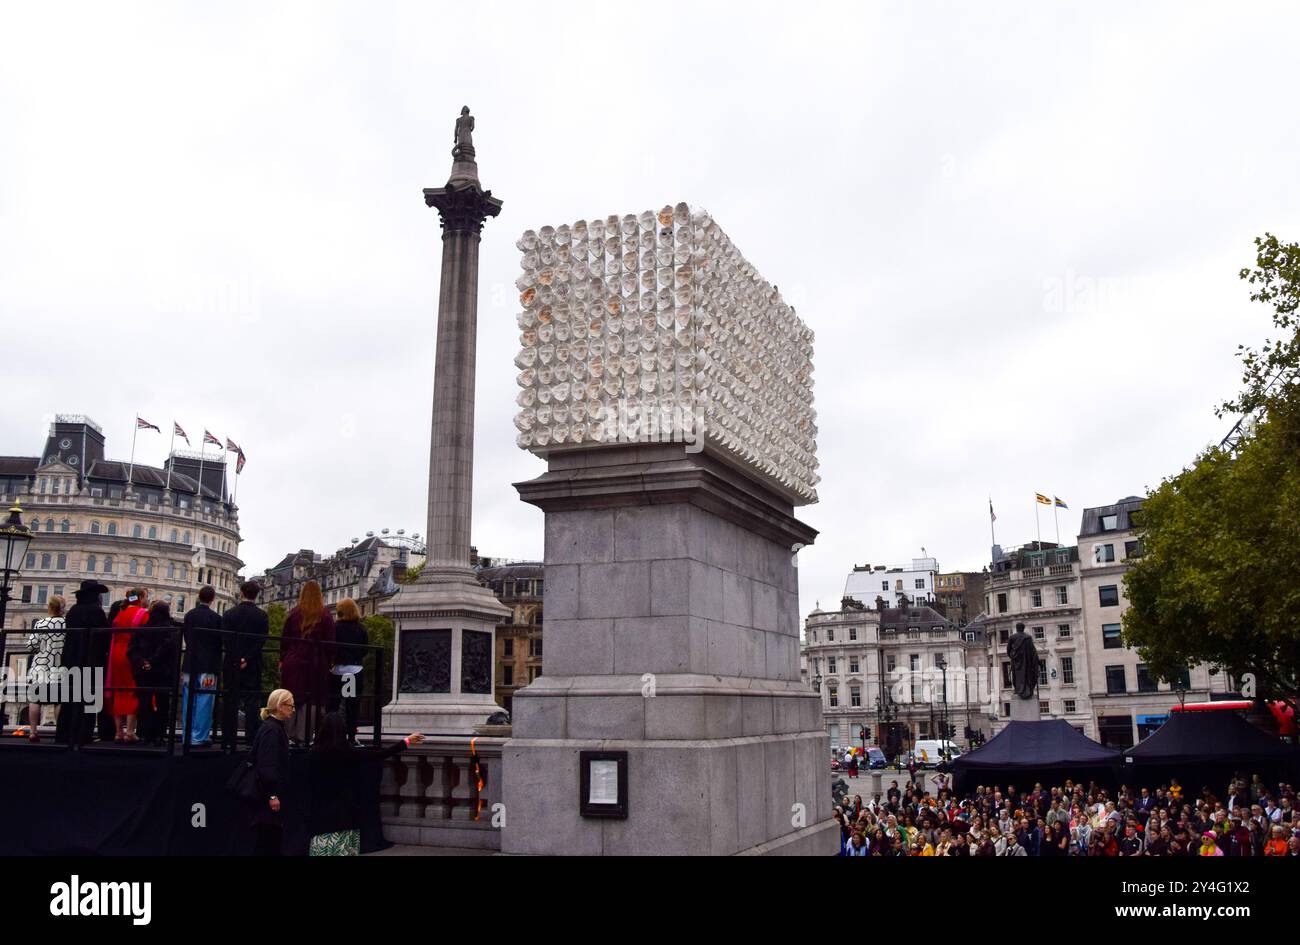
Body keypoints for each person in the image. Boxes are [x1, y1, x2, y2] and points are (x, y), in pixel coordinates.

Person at [307, 711, 424, 855]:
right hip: (345, 812)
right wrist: (406, 742)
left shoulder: (314, 753)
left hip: (321, 813)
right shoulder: (347, 752)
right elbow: (379, 755)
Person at [279, 580, 335, 744]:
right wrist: (330, 661)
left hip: (293, 661)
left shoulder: (294, 613)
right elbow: (331, 643)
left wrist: (282, 660)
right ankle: (303, 737)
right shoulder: (325, 615)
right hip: (315, 663)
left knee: (291, 698)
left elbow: (284, 640)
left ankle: (287, 735)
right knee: (311, 700)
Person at [56, 579, 109, 745]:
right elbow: (103, 636)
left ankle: (64, 733)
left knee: (69, 698)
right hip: (91, 659)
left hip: (71, 658)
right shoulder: (96, 611)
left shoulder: (73, 610)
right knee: (88, 698)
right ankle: (83, 734)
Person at [221, 581, 270, 750]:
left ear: (241, 592)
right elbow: (261, 640)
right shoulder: (262, 616)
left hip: (231, 661)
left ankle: (228, 736)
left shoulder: (228, 614)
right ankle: (251, 737)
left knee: (230, 699)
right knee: (251, 701)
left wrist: (236, 658)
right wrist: (247, 658)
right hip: (252, 662)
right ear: (256, 595)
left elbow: (225, 639)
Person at [247, 689, 294, 856]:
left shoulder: (272, 727)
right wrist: (273, 794)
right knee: (268, 837)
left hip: (267, 792)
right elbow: (268, 763)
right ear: (280, 706)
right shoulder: (272, 730)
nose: (292, 709)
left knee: (269, 837)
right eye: (290, 705)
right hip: (267, 794)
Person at [128, 602, 179, 746]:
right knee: (163, 703)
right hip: (163, 671)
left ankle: (145, 734)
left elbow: (131, 650)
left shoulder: (141, 630)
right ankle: (159, 735)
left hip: (143, 671)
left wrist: (142, 662)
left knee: (145, 702)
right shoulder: (171, 630)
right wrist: (153, 661)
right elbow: (167, 649)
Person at [181, 586, 224, 746]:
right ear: (212, 599)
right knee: (205, 700)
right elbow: (219, 642)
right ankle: (199, 736)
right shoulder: (216, 619)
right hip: (208, 665)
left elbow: (186, 636)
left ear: (199, 597)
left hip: (190, 663)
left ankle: (186, 734)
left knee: (187, 699)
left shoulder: (189, 615)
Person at [107, 589, 148, 742]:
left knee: (118, 691)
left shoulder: (120, 613)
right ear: (141, 598)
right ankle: (130, 731)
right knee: (132, 690)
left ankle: (118, 732)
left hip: (116, 654)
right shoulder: (142, 613)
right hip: (131, 654)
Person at [25, 595, 67, 741]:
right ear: (63, 608)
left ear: (49, 607)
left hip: (41, 665)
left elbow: (31, 645)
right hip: (59, 665)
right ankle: (60, 731)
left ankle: (33, 732)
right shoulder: (66, 624)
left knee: (35, 699)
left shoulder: (41, 623)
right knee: (58, 700)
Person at [329, 598, 368, 744]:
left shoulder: (335, 627)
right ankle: (351, 736)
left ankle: (332, 735)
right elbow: (365, 649)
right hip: (353, 671)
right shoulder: (360, 628)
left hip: (337, 671)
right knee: (351, 705)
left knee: (333, 705)